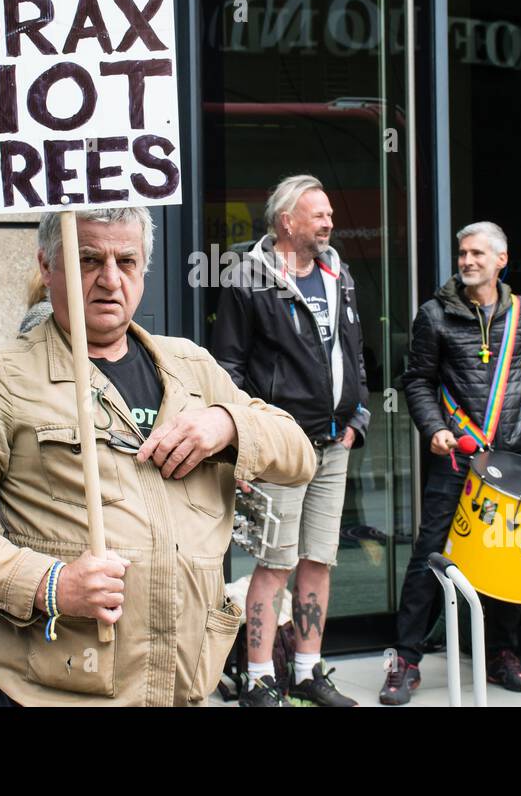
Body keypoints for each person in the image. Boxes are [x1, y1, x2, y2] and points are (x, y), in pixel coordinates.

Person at [0, 207, 315, 706]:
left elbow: (299, 455)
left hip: (183, 687)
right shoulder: (0, 380)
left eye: (126, 261)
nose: (109, 279)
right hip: (61, 693)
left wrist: (227, 424)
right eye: (88, 259)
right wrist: (50, 584)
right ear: (47, 265)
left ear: (143, 267)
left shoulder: (190, 366)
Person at [381, 221, 521, 703]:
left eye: (478, 254)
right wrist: (435, 429)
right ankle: (405, 659)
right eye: (463, 253)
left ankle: (501, 652)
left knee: (504, 558)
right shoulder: (434, 315)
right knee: (430, 556)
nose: (467, 261)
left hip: (515, 459)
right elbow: (416, 379)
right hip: (456, 460)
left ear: (501, 260)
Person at [210, 174, 371, 707]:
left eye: (329, 213)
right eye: (319, 214)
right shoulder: (246, 279)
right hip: (282, 448)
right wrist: (254, 437)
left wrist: (359, 415)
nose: (330, 222)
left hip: (334, 442)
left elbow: (353, 347)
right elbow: (227, 368)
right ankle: (259, 678)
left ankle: (306, 671)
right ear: (287, 222)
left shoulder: (337, 270)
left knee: (318, 560)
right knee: (274, 563)